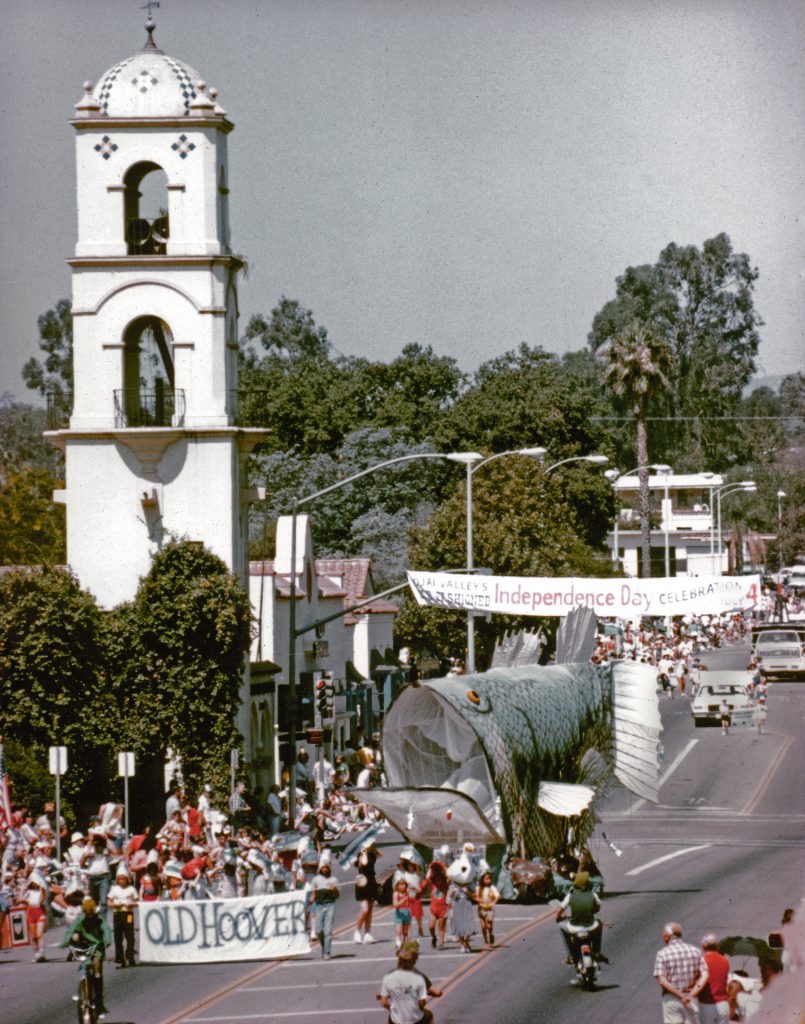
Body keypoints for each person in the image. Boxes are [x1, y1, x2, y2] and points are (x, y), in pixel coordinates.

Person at [61, 897, 112, 1019]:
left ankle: (99, 1002)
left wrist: (107, 941)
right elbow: (71, 930)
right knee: (76, 938)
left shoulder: (99, 919)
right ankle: (85, 984)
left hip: (97, 947)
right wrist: (65, 942)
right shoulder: (80, 919)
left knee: (97, 969)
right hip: (85, 947)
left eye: (90, 912)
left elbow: (106, 931)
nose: (88, 915)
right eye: (86, 912)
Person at [654, 921, 709, 1024]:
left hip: (672, 999)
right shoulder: (695, 951)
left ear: (667, 937)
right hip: (691, 998)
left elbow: (662, 980)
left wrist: (681, 995)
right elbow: (705, 974)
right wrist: (692, 994)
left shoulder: (663, 954)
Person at [377, 941, 433, 1024]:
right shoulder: (419, 977)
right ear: (413, 960)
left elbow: (383, 1002)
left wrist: (391, 1009)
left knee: (391, 1018)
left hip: (397, 1021)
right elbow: (422, 1002)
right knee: (429, 1015)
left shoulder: (388, 977)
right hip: (415, 1019)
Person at [555, 871, 605, 963]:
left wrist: (558, 917)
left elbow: (560, 910)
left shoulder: (570, 896)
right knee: (599, 924)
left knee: (561, 926)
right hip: (590, 926)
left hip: (574, 927)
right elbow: (598, 908)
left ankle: (571, 955)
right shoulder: (593, 895)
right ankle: (596, 951)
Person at [107, 867, 138, 968]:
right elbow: (109, 902)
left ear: (127, 879)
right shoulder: (114, 889)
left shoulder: (131, 889)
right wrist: (114, 905)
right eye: (119, 879)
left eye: (123, 879)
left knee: (129, 936)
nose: (121, 881)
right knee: (118, 937)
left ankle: (130, 956)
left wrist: (131, 905)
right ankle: (120, 959)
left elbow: (137, 901)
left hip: (128, 914)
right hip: (118, 914)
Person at [310, 858, 339, 959]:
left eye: (327, 867)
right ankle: (324, 946)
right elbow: (313, 895)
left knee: (328, 930)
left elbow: (337, 896)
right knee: (318, 930)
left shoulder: (333, 880)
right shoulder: (315, 880)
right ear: (320, 868)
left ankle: (327, 952)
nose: (325, 869)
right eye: (323, 867)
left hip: (330, 905)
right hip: (319, 906)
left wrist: (334, 890)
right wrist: (309, 905)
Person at [698, 934, 730, 1023]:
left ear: (703, 946)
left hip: (707, 1004)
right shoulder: (724, 960)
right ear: (717, 946)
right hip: (723, 1004)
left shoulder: (701, 961)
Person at [353, 843, 379, 944]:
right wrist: (363, 853)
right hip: (362, 883)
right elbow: (363, 863)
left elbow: (369, 862)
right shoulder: (360, 856)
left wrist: (368, 852)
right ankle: (357, 931)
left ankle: (367, 933)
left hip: (371, 883)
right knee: (365, 909)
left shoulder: (373, 855)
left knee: (370, 911)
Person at [424, 858, 450, 950]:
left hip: (443, 909)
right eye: (437, 879)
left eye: (440, 879)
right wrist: (431, 868)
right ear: (434, 879)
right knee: (431, 926)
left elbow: (449, 876)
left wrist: (443, 868)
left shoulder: (445, 886)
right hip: (433, 909)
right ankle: (434, 937)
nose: (438, 881)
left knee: (441, 927)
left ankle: (442, 942)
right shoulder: (433, 885)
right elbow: (427, 877)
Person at [474, 870, 499, 947]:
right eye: (487, 879)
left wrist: (494, 902)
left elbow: (497, 896)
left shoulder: (492, 888)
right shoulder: (478, 889)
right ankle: (485, 941)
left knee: (489, 926)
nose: (489, 880)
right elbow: (475, 897)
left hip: (490, 908)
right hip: (481, 908)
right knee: (483, 926)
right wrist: (481, 900)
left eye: (489, 878)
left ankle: (490, 933)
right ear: (482, 880)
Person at [393, 877, 412, 949]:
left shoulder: (407, 893)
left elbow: (415, 893)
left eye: (404, 884)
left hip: (407, 913)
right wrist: (402, 901)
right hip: (399, 913)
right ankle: (398, 942)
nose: (402, 886)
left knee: (405, 932)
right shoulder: (396, 894)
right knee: (399, 930)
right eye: (400, 884)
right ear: (397, 886)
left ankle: (406, 946)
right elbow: (395, 904)